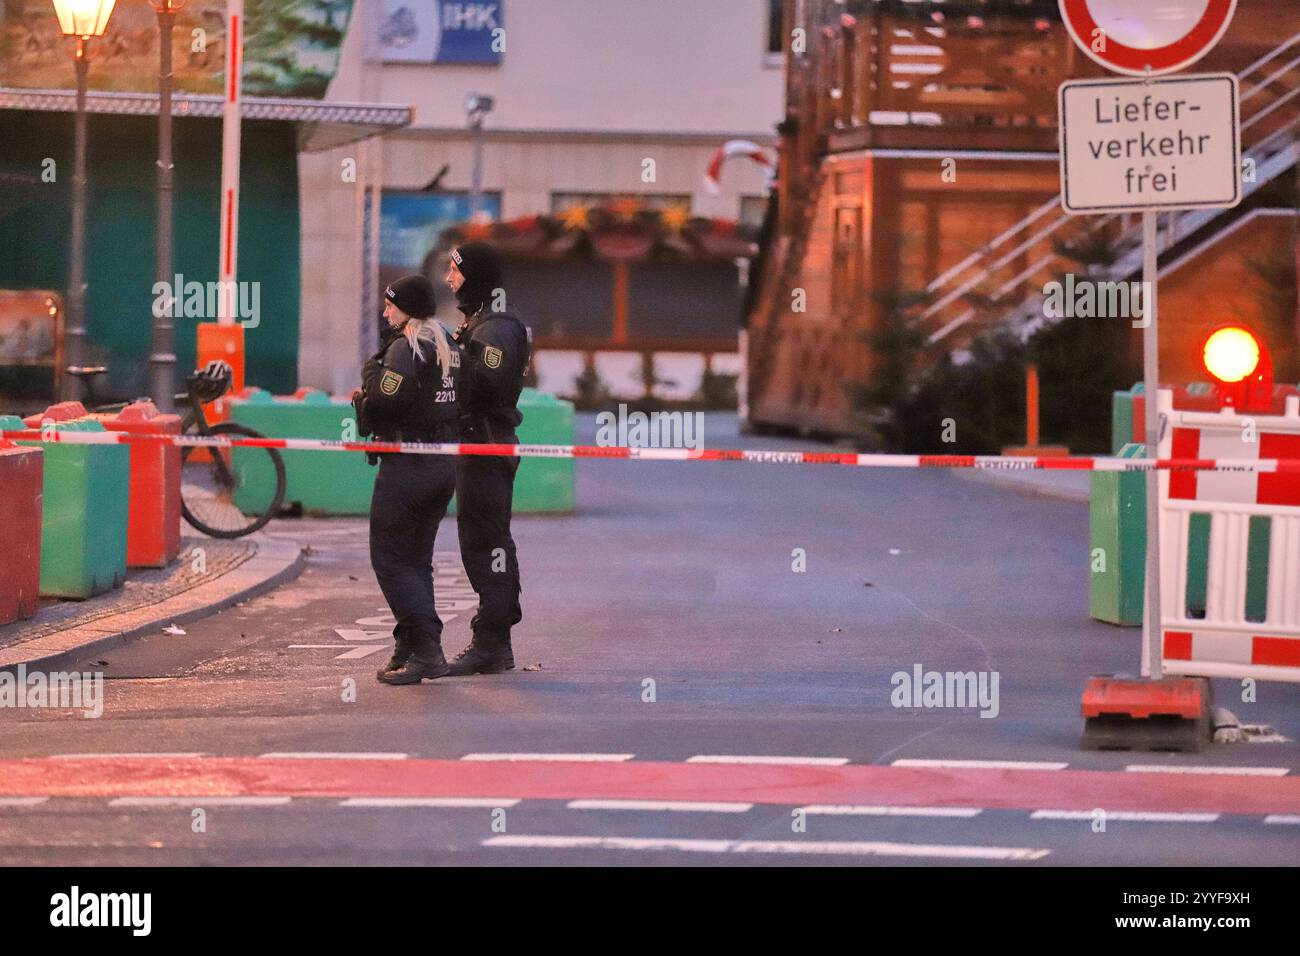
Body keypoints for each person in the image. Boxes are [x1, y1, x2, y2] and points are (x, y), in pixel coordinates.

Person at [352, 274, 461, 685]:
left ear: (407, 309)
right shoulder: (448, 344)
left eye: (390, 305)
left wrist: (368, 382)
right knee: (416, 560)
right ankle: (410, 645)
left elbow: (386, 398)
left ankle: (428, 651)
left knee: (390, 558)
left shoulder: (406, 347)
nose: (385, 312)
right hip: (442, 465)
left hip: (409, 465)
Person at [443, 242, 530, 675]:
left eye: (454, 271)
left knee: (487, 543)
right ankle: (494, 638)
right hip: (477, 444)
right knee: (484, 541)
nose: (448, 279)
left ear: (473, 275)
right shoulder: (483, 322)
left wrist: (451, 352)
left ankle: (492, 642)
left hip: (486, 444)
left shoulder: (496, 327)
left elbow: (487, 383)